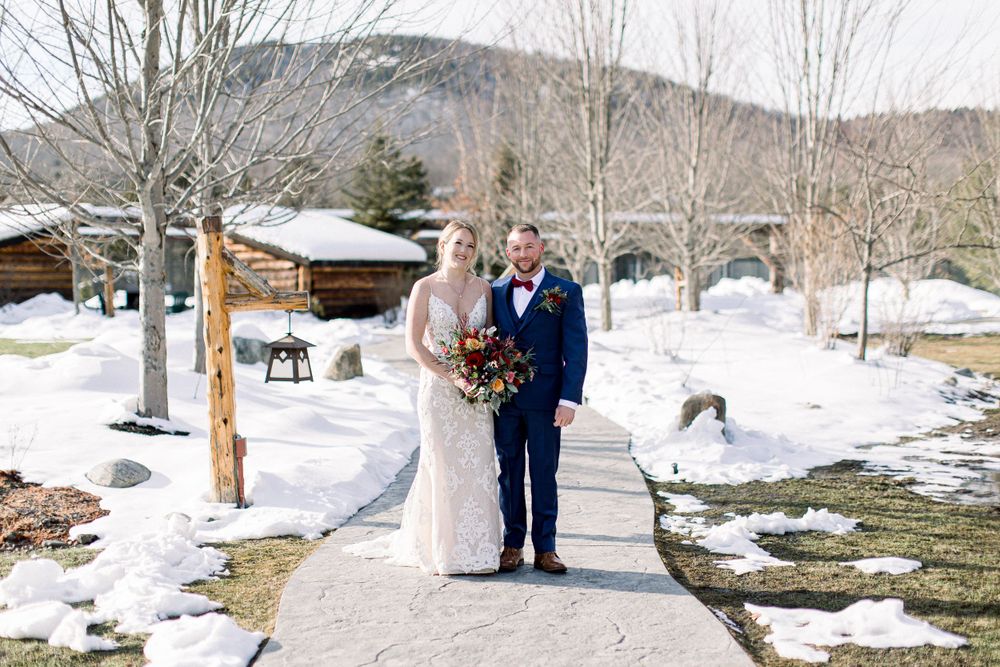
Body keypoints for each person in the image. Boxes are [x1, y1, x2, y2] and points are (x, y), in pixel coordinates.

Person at [344, 221, 502, 575]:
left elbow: (489, 339)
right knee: (442, 465)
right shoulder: (425, 287)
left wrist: (483, 376)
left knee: (477, 467)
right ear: (443, 245)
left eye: (471, 246)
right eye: (458, 243)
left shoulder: (484, 288)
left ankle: (479, 549)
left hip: (475, 396)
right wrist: (454, 376)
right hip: (439, 391)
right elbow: (414, 345)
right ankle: (443, 549)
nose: (464, 251)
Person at [491, 224, 588, 574]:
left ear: (541, 248)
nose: (523, 255)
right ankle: (512, 544)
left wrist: (569, 399)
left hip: (548, 402)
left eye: (529, 247)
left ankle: (546, 548)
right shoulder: (496, 290)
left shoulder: (565, 291)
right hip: (505, 401)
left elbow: (576, 349)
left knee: (544, 473)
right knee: (509, 474)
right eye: (516, 248)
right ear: (507, 253)